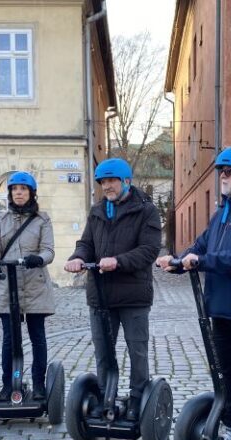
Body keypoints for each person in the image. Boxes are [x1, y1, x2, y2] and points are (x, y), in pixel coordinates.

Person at [157, 146, 231, 440]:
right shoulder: (222, 212)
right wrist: (177, 262)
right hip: (220, 306)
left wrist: (203, 261)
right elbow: (201, 246)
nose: (222, 177)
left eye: (228, 172)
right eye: (221, 172)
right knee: (227, 371)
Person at [64, 158, 162, 420]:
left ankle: (137, 402)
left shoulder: (146, 211)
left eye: (111, 180)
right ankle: (107, 397)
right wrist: (77, 257)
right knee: (104, 350)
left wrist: (118, 262)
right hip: (100, 295)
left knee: (137, 350)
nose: (106, 186)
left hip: (133, 296)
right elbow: (86, 243)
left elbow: (149, 250)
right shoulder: (97, 211)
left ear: (126, 181)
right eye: (103, 182)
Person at [0, 172, 56, 400]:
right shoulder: (1, 220)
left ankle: (40, 384)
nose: (19, 193)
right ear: (10, 193)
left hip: (35, 286)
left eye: (23, 189)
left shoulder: (42, 220)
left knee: (37, 337)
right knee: (9, 339)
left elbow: (49, 250)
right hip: (7, 286)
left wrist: (39, 259)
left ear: (32, 193)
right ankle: (8, 384)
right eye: (15, 189)